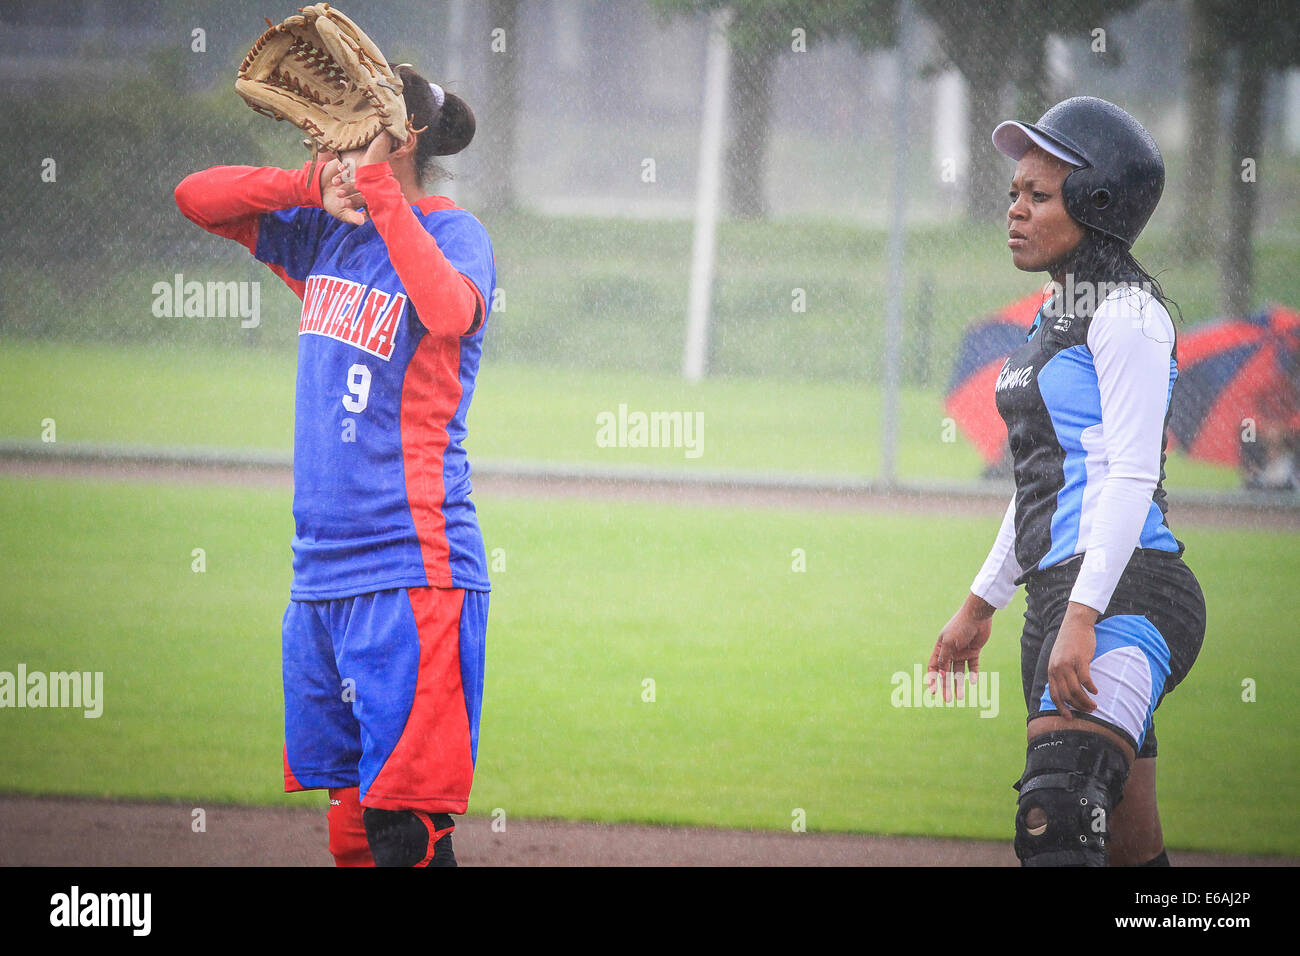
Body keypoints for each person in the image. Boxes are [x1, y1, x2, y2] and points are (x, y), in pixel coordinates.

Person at [175, 67, 494, 867]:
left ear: (403, 134)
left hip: (411, 568)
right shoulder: (329, 231)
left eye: (354, 115)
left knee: (404, 829)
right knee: (351, 823)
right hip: (319, 576)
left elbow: (449, 311)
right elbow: (196, 196)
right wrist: (312, 184)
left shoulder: (457, 236)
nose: (329, 126)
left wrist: (381, 189)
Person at [927, 97, 1205, 867]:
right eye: (1014, 193)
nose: (1015, 210)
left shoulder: (1129, 316)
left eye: (1038, 196)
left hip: (1127, 593)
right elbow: (1040, 487)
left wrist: (1083, 616)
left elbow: (1128, 473)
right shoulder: (1053, 316)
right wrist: (980, 604)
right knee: (1127, 853)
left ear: (1098, 203)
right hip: (1058, 601)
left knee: (1056, 815)